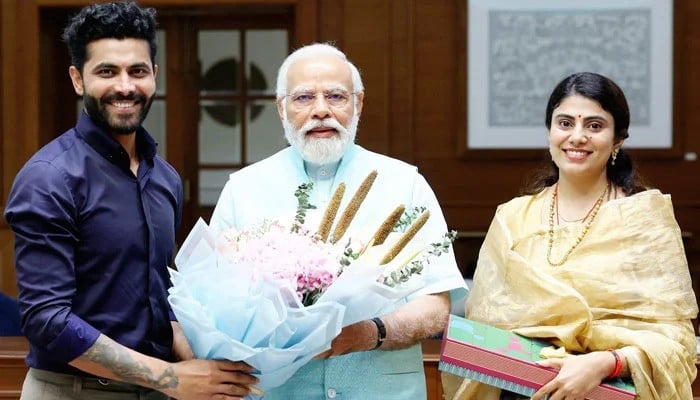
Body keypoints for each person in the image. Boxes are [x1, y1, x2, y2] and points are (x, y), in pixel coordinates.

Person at [3, 2, 257, 399]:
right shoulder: (49, 178)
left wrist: (212, 363)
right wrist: (172, 379)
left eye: (137, 71)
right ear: (77, 79)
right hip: (74, 391)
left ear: (154, 75)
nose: (125, 86)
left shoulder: (165, 178)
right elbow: (46, 321)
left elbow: (159, 297)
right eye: (107, 71)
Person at [209, 42, 468, 399]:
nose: (320, 111)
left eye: (335, 96)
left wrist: (369, 333)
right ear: (281, 108)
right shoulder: (243, 188)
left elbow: (437, 305)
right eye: (303, 98)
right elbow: (214, 300)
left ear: (358, 103)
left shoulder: (405, 184)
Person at [441, 72, 698, 400]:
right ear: (550, 132)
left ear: (617, 140)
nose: (577, 136)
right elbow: (486, 326)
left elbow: (677, 342)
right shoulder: (513, 218)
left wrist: (605, 362)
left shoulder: (644, 221)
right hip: (521, 390)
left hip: (610, 390)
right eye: (565, 123)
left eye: (594, 126)